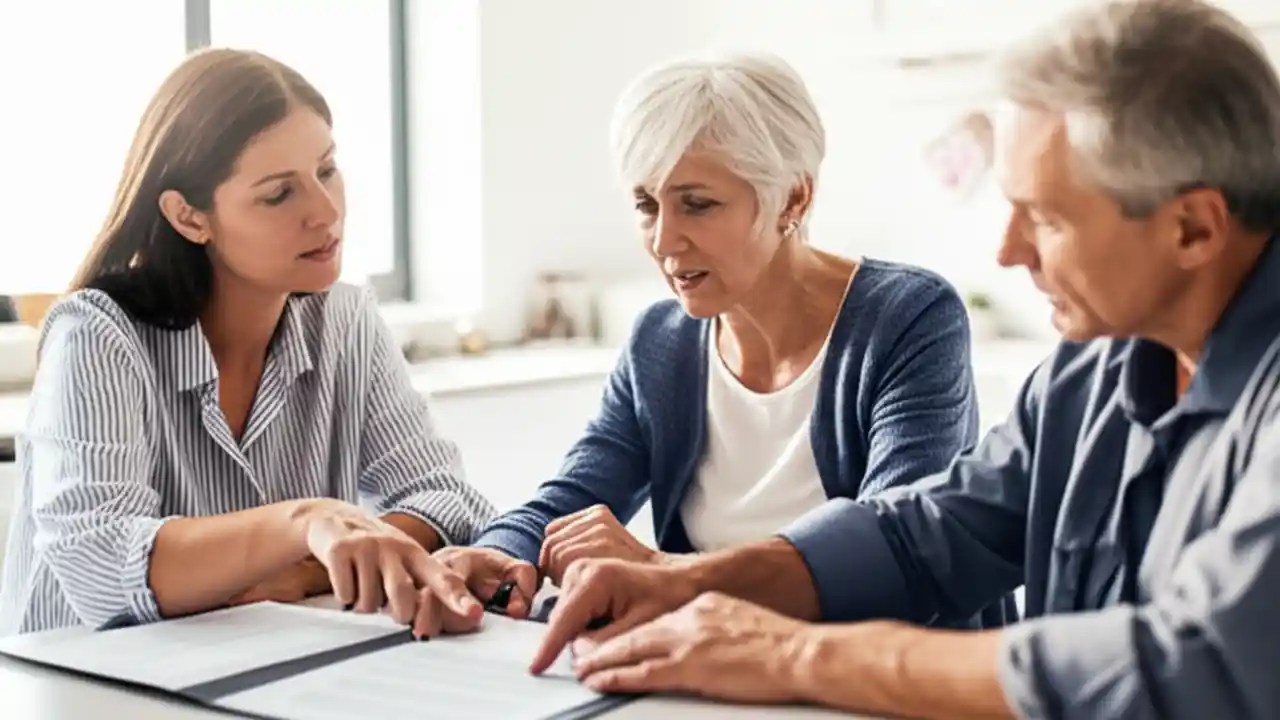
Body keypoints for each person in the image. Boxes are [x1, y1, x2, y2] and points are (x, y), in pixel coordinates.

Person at [525, 2, 1280, 718]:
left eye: (1046, 218)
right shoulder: (1087, 378)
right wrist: (685, 582)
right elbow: (931, 531)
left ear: (1192, 229)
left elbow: (1197, 664)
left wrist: (790, 655)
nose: (1007, 251)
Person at [437, 53, 1014, 629]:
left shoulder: (909, 319)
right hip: (722, 676)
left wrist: (662, 572)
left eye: (697, 204)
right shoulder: (659, 343)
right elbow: (577, 491)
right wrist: (500, 548)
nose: (665, 240)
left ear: (793, 199)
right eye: (645, 204)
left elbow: (891, 556)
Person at [0, 49, 496, 637]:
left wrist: (308, 572)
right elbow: (102, 562)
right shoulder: (97, 334)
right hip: (90, 686)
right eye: (278, 194)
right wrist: (304, 523)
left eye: (327, 170)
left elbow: (449, 500)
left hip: (263, 672)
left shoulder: (345, 318)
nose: (326, 211)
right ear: (189, 217)